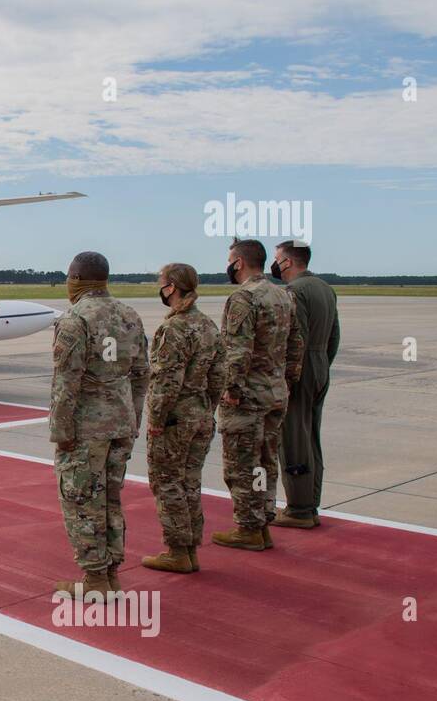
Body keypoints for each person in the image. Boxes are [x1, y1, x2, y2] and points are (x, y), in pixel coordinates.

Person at [49, 251, 150, 597]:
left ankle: (94, 580)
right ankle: (111, 575)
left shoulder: (75, 319)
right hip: (121, 422)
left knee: (80, 500)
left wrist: (60, 432)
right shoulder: (129, 315)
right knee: (109, 498)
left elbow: (66, 382)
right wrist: (133, 418)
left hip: (86, 428)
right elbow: (141, 374)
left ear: (75, 279)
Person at [212, 239, 303, 551]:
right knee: (266, 460)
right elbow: (296, 344)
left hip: (249, 397)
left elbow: (237, 352)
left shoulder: (243, 298)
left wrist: (230, 391)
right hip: (276, 392)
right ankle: (263, 520)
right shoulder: (284, 295)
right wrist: (288, 380)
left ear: (238, 263)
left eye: (230, 261)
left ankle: (249, 528)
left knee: (241, 464)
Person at [142, 264, 226, 573]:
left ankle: (177, 550)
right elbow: (219, 374)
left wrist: (156, 419)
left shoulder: (173, 328)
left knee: (167, 482)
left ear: (172, 287)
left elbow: (167, 381)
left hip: (176, 417)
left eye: (162, 283)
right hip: (201, 413)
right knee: (190, 481)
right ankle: (190, 548)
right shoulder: (207, 325)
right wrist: (208, 406)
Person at [271, 240, 339, 529]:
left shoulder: (294, 292)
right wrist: (322, 364)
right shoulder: (325, 288)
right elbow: (335, 335)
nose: (274, 264)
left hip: (301, 369)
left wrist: (287, 379)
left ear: (287, 262)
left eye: (277, 259)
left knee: (293, 437)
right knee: (311, 435)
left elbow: (293, 340)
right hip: (321, 362)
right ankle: (311, 503)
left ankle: (299, 509)